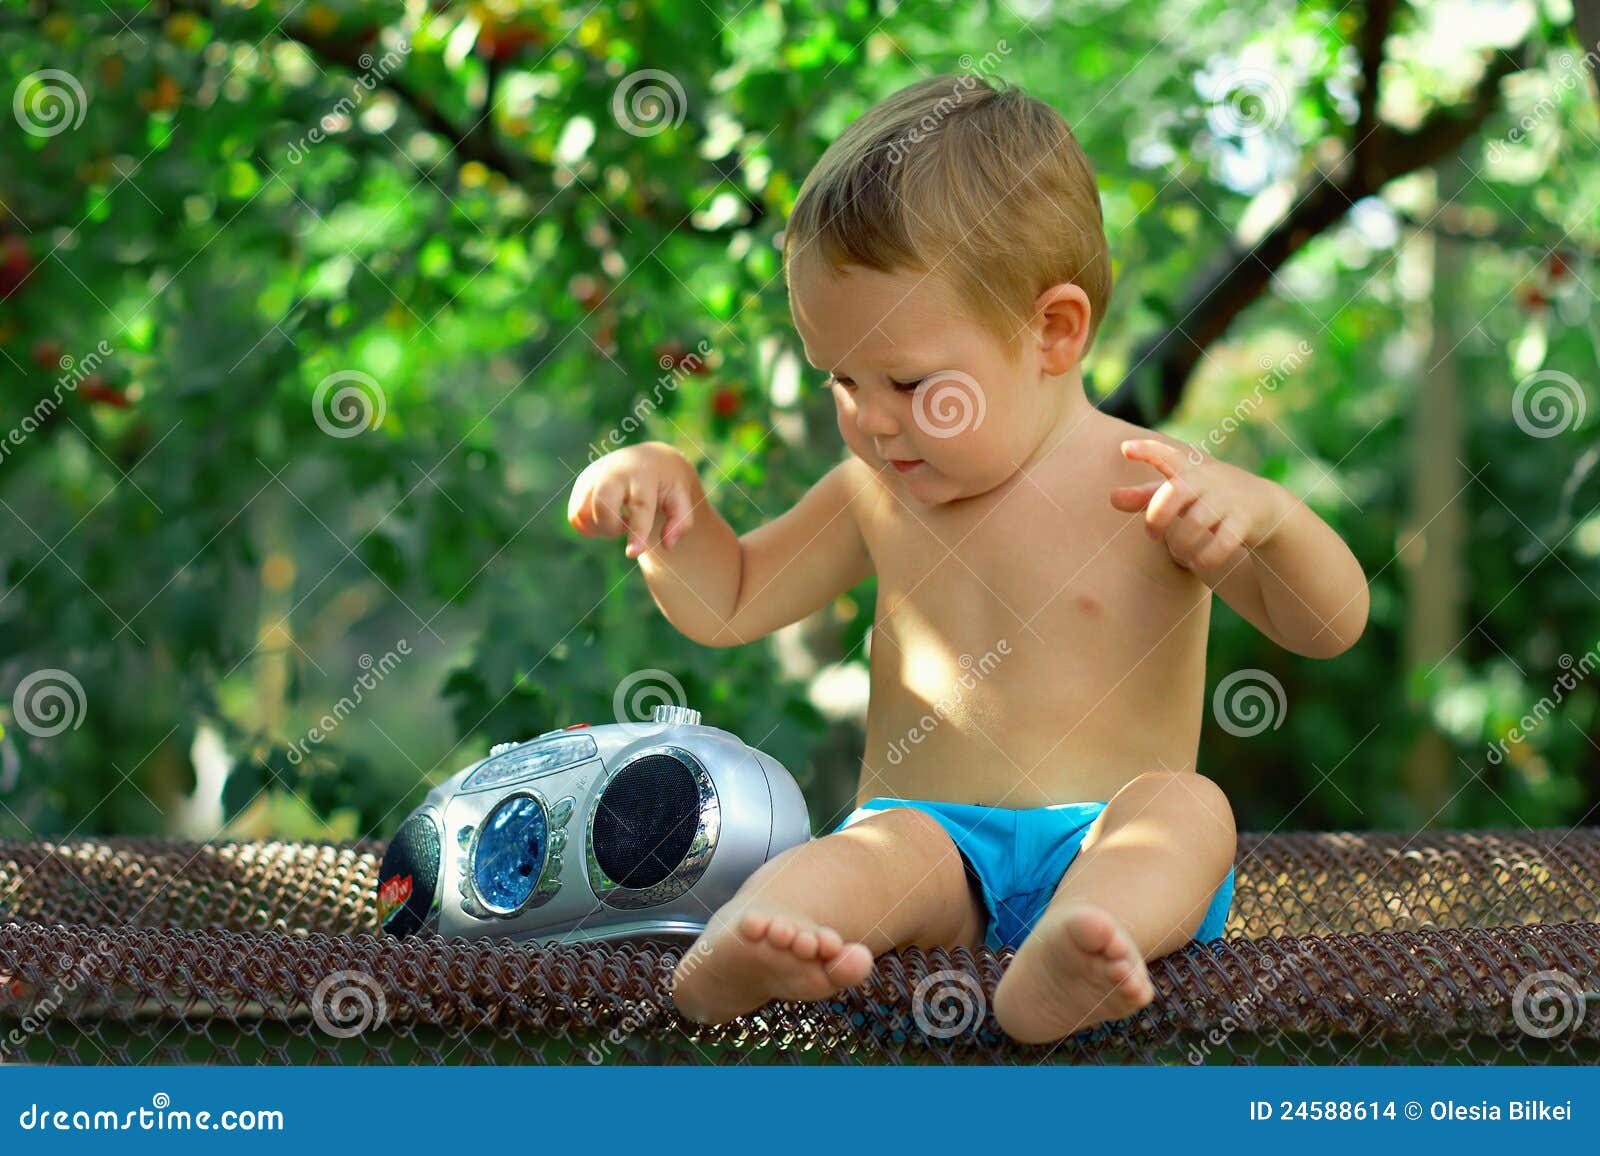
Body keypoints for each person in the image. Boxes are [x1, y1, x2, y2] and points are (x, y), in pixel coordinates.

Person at [567, 73, 1368, 1043]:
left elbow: (1325, 627)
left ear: (1052, 330)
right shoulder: (875, 491)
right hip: (934, 841)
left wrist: (1273, 521)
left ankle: (1079, 944)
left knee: (1187, 811)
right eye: (841, 378)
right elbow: (732, 599)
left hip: (1108, 841)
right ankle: (752, 941)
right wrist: (673, 507)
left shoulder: (1155, 485)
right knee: (866, 852)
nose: (869, 418)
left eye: (907, 381)